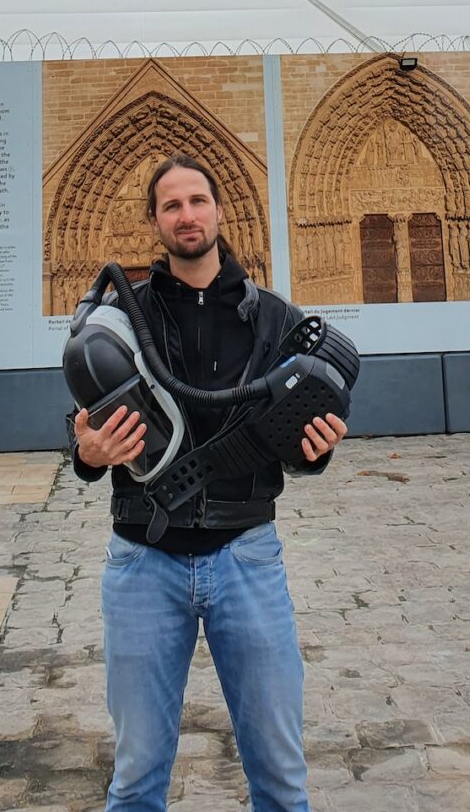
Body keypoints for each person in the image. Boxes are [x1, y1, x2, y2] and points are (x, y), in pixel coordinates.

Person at [67, 155, 347, 812]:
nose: (187, 215)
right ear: (155, 221)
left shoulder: (276, 319)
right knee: (135, 780)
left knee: (280, 777)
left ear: (219, 210)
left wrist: (318, 450)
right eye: (171, 205)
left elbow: (298, 444)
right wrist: (86, 451)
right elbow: (85, 435)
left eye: (197, 200)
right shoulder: (119, 316)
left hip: (246, 557)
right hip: (142, 561)